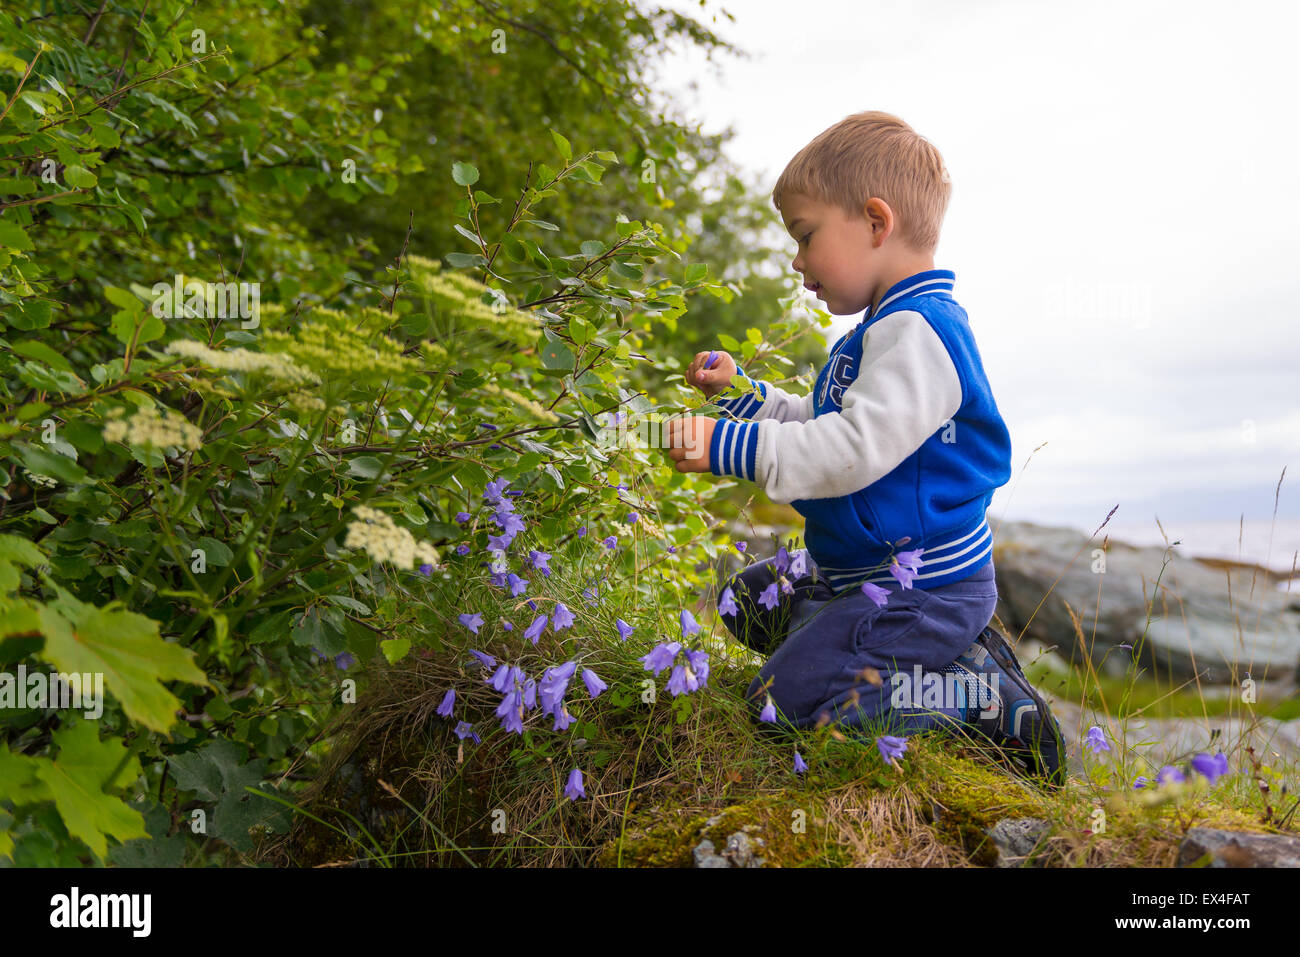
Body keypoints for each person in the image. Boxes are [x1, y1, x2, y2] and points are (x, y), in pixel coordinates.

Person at [664, 111, 1064, 788]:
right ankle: (866, 636)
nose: (796, 260)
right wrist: (744, 398)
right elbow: (824, 423)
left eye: (806, 235)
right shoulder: (884, 329)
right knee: (744, 602)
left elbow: (850, 451)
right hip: (865, 573)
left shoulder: (920, 333)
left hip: (925, 588)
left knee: (779, 707)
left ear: (876, 223)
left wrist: (731, 447)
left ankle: (975, 699)